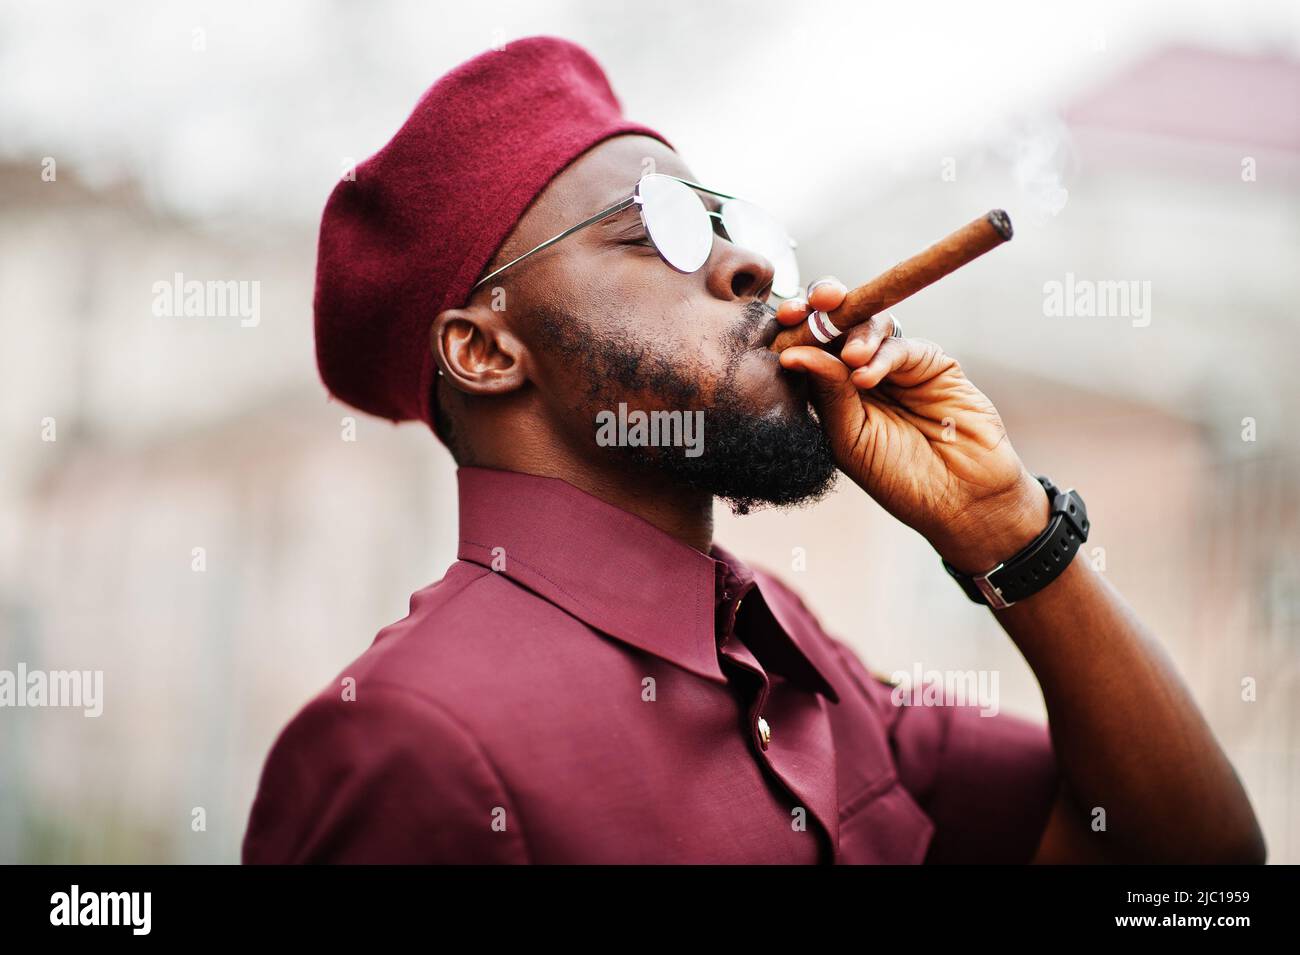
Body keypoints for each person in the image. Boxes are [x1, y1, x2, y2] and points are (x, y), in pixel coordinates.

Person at [241, 35, 1264, 864]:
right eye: (652, 232)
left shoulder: (787, 652)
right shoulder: (405, 744)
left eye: (723, 220)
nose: (748, 264)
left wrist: (1008, 529)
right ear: (485, 347)